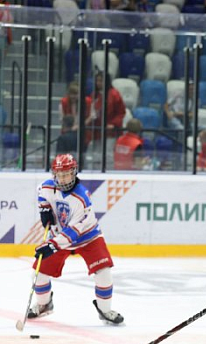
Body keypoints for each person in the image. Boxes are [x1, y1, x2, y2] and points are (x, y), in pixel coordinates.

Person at [28, 153, 124, 325]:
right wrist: (44, 208)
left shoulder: (82, 198)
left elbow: (74, 232)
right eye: (60, 174)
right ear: (54, 174)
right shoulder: (47, 186)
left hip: (88, 237)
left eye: (67, 174)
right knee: (39, 273)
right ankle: (43, 305)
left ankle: (105, 310)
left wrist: (52, 245)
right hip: (59, 235)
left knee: (104, 273)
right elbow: (41, 192)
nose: (63, 178)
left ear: (74, 172)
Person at [85, 71, 126, 165]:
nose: (98, 83)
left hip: (110, 132)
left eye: (101, 81)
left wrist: (113, 124)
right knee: (96, 154)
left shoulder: (115, 94)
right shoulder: (94, 95)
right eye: (97, 81)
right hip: (97, 130)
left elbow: (121, 113)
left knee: (108, 154)